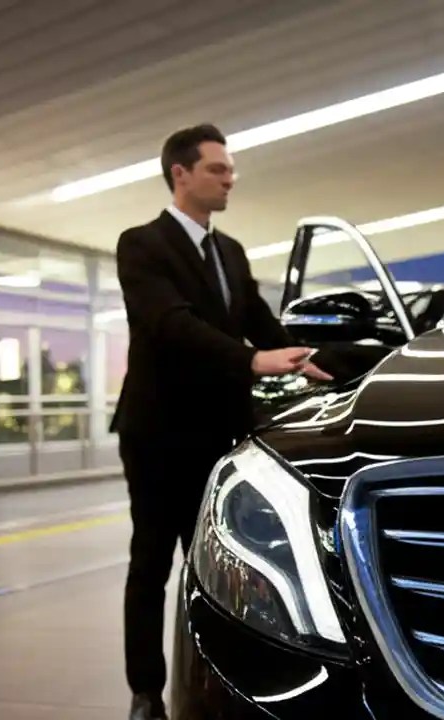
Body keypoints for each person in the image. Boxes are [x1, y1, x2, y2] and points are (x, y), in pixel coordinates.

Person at [111, 123, 330, 720]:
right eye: (217, 168)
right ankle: (145, 693)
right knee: (151, 566)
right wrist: (251, 360)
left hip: (222, 431)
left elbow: (260, 320)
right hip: (159, 435)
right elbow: (170, 324)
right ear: (180, 174)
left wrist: (310, 360)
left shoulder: (229, 252)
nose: (230, 177)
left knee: (220, 566)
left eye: (230, 169)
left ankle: (215, 684)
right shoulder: (142, 245)